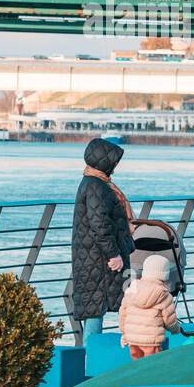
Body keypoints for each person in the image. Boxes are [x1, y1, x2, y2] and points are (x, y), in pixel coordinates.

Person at [71, 137, 136, 343]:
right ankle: (94, 357)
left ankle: (96, 354)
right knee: (96, 308)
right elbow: (99, 223)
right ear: (104, 161)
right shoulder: (96, 187)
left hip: (93, 257)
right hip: (99, 259)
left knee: (97, 305)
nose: (116, 166)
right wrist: (114, 254)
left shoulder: (92, 183)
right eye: (114, 161)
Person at [119, 254, 183, 359]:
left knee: (137, 366)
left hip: (132, 339)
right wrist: (176, 330)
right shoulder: (163, 294)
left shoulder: (131, 289)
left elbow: (123, 315)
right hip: (151, 341)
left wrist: (124, 333)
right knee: (152, 369)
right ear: (165, 275)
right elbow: (169, 320)